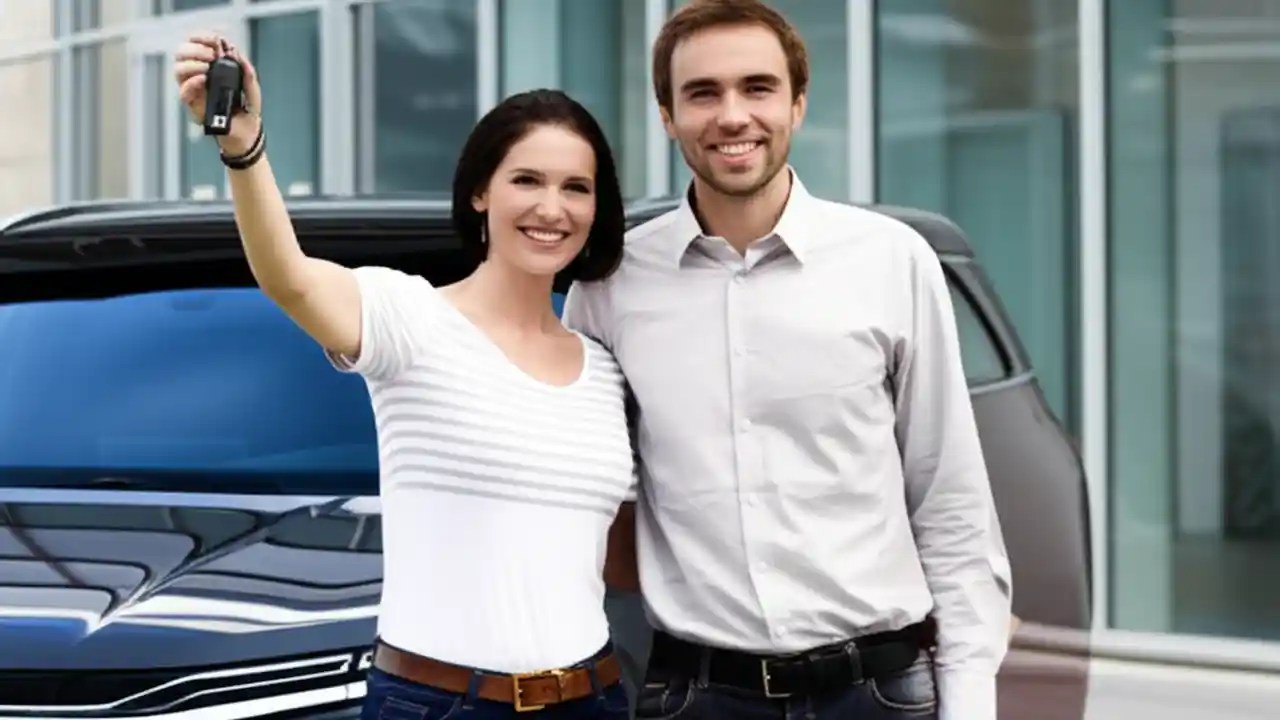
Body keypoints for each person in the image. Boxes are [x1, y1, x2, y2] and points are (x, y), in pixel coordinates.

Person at [563, 1, 1013, 719]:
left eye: (758, 88)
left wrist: (969, 702)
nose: (732, 115)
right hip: (697, 696)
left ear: (798, 104)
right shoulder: (610, 284)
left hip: (878, 693)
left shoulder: (891, 261)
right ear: (667, 116)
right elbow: (584, 506)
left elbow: (951, 504)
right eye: (702, 93)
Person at [172, 34, 640, 720]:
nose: (552, 208)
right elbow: (291, 279)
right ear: (482, 191)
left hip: (592, 699)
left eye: (577, 188)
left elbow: (621, 562)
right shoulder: (411, 317)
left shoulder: (603, 367)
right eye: (527, 180)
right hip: (441, 704)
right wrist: (244, 148)